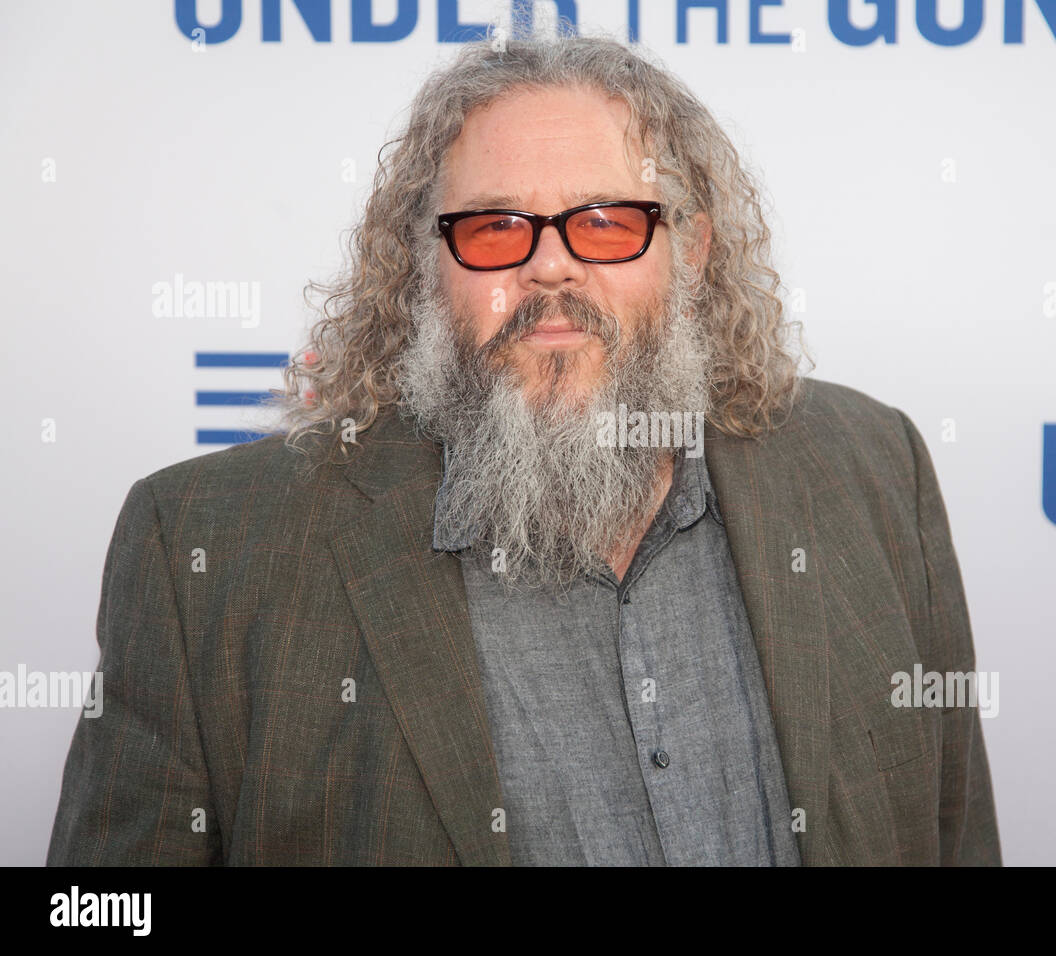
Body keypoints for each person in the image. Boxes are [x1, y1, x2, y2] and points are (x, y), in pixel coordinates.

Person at [47, 34, 1000, 866]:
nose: (552, 266)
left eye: (608, 221)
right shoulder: (208, 554)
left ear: (692, 250)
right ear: (427, 266)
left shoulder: (874, 469)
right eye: (497, 228)